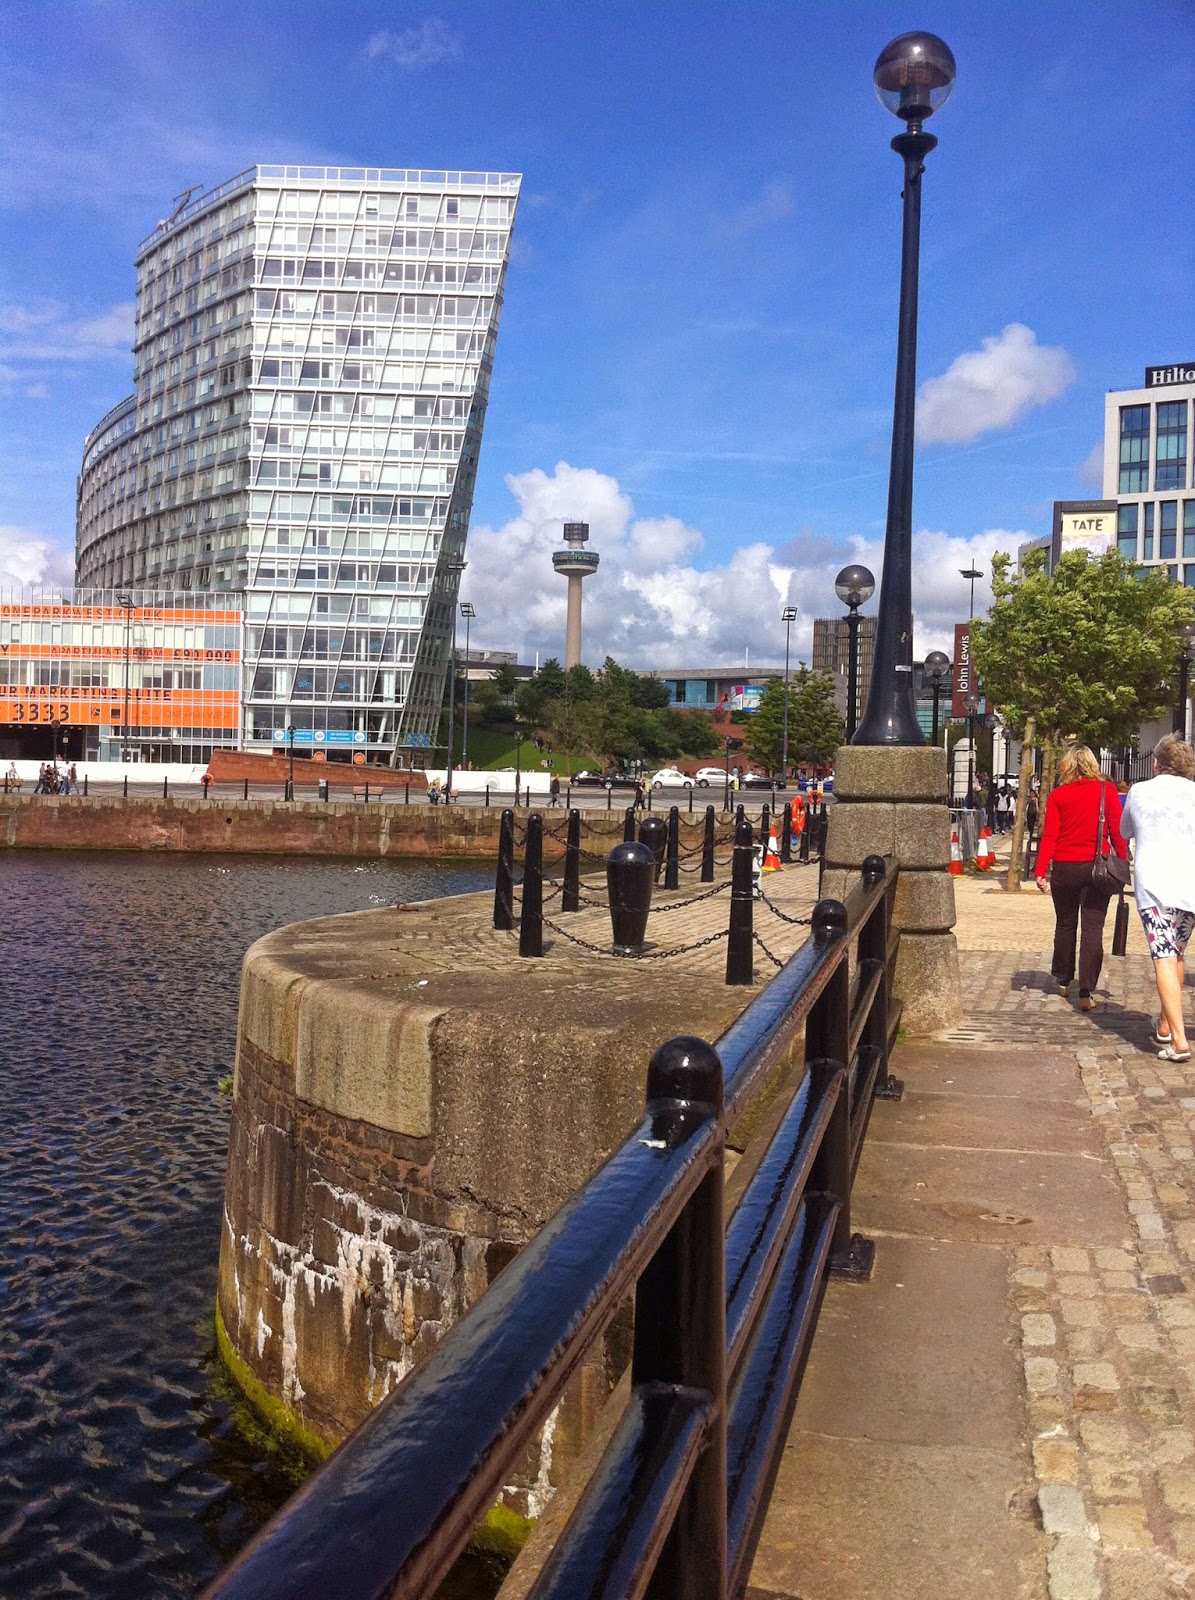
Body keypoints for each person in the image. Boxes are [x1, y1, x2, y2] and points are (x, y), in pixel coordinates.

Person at [1119, 733, 1195, 1061]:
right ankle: (1165, 1024)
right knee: (1176, 953)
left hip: (1154, 886)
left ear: (1156, 763)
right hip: (1189, 884)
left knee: (1162, 956)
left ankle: (1178, 1040)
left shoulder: (1140, 791)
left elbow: (1125, 831)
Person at [1035, 745, 1127, 1010]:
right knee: (1093, 928)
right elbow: (1117, 832)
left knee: (1065, 924)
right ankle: (1086, 990)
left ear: (1066, 766)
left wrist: (1041, 870)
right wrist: (1121, 864)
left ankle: (1064, 979)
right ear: (1093, 764)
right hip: (1096, 867)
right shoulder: (1105, 791)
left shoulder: (1058, 795)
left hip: (1064, 867)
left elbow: (1050, 835)